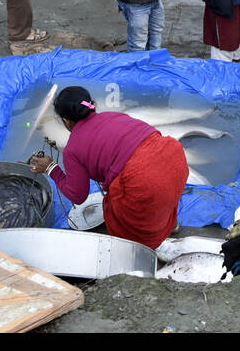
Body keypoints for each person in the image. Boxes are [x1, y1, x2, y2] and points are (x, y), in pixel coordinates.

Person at [27, 86, 188, 249]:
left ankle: (140, 250)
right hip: (173, 157)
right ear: (93, 106)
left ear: (66, 120)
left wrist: (51, 168)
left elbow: (78, 196)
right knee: (164, 189)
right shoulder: (114, 115)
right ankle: (171, 225)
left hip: (144, 180)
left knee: (118, 213)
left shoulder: (73, 149)